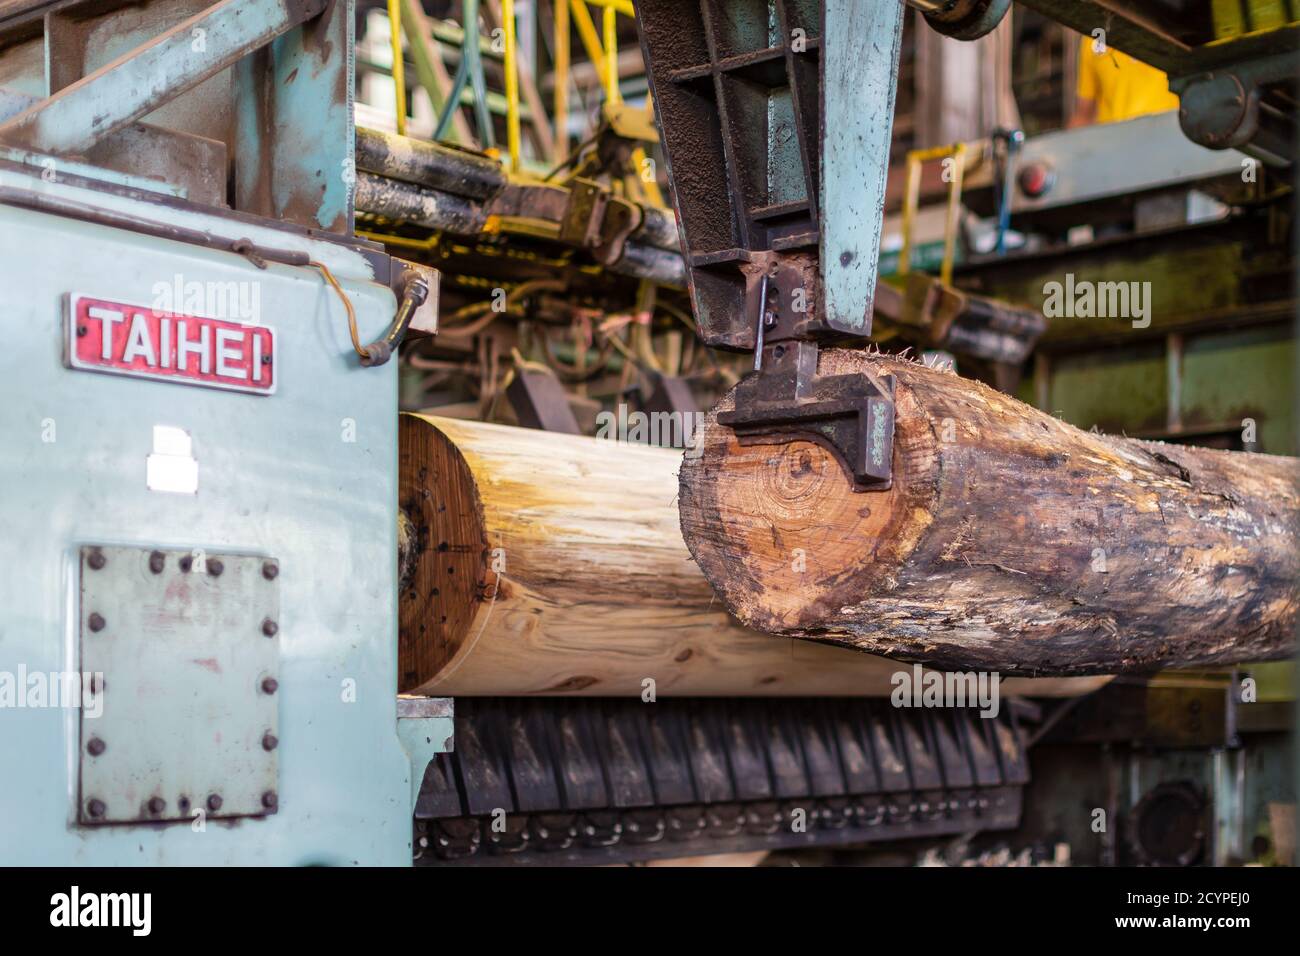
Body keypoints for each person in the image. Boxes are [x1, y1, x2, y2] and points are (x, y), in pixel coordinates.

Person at [1068, 34, 1180, 127]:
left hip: (1169, 134)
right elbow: (1084, 112)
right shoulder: (1095, 35)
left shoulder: (1172, 25)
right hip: (1115, 141)